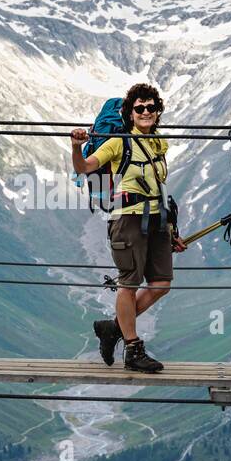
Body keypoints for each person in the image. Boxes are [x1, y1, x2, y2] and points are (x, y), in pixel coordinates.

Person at [71, 83, 185, 373]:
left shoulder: (159, 144)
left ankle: (113, 328)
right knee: (129, 283)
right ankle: (133, 348)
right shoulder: (119, 142)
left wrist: (172, 230)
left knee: (161, 284)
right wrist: (75, 146)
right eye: (139, 108)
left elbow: (160, 186)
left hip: (157, 220)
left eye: (151, 107)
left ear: (157, 112)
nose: (146, 112)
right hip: (128, 220)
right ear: (130, 113)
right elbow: (85, 167)